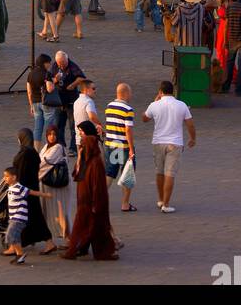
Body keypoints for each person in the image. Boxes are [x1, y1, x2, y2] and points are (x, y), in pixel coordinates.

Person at [61, 124, 118, 260]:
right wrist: (80, 157)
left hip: (92, 201)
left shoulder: (96, 163)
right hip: (86, 200)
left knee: (93, 227)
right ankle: (81, 249)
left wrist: (96, 204)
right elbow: (77, 175)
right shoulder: (87, 161)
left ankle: (81, 249)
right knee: (89, 226)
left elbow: (97, 186)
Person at [143, 79, 196, 213]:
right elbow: (190, 124)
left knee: (159, 172)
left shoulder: (155, 105)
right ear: (173, 91)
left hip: (158, 142)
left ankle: (160, 200)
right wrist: (192, 138)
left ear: (160, 92)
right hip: (175, 143)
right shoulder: (181, 105)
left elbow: (144, 118)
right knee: (170, 174)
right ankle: (166, 205)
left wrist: (155, 101)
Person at [11, 128, 52, 247]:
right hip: (32, 187)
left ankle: (15, 246)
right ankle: (48, 242)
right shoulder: (32, 152)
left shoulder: (25, 154)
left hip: (26, 190)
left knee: (28, 217)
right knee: (36, 217)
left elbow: (21, 173)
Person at [104, 83, 136, 213]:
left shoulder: (109, 107)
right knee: (127, 174)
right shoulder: (128, 109)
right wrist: (131, 149)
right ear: (126, 93)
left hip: (111, 145)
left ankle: (98, 199)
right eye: (131, 92)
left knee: (110, 173)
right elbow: (128, 129)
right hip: (123, 146)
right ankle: (125, 204)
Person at [2, 165, 43, 264]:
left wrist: (45, 195)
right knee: (13, 237)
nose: (4, 178)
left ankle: (20, 254)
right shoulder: (10, 188)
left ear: (14, 177)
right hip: (13, 217)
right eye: (4, 176)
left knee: (10, 235)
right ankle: (19, 256)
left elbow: (32, 192)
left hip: (19, 217)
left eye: (7, 176)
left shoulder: (19, 187)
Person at [38, 125, 70, 251]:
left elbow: (44, 163)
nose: (52, 137)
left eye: (54, 134)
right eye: (50, 134)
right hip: (48, 186)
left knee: (60, 212)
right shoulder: (46, 147)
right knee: (53, 213)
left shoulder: (57, 147)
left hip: (57, 187)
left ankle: (69, 238)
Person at [221, 0, 241, 95]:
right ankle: (238, 89)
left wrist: (225, 40)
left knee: (230, 63)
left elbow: (226, 25)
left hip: (231, 38)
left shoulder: (230, 7)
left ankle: (226, 87)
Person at [27, 52, 52, 144]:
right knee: (48, 126)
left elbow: (29, 91)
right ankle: (48, 146)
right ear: (44, 63)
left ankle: (36, 149)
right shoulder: (47, 74)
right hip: (45, 102)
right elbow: (49, 89)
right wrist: (54, 81)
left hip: (34, 102)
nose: (50, 65)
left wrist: (31, 105)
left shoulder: (31, 74)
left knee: (37, 127)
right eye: (49, 62)